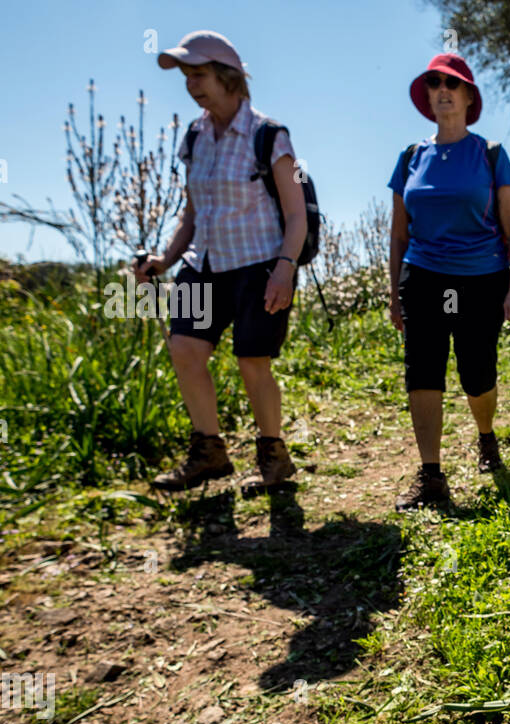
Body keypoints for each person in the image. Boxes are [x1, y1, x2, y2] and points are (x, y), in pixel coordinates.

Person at [134, 30, 306, 493]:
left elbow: (295, 215)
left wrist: (285, 268)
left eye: (200, 74)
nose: (192, 84)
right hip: (203, 265)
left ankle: (274, 457)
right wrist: (165, 260)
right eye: (187, 77)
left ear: (228, 76)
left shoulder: (270, 135)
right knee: (184, 350)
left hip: (258, 265)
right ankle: (209, 453)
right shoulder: (194, 137)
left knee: (253, 361)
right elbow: (192, 212)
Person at [387, 53, 510, 510]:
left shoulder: (490, 155)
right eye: (434, 82)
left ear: (469, 96)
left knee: (476, 373)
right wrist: (394, 293)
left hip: (481, 277)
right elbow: (398, 233)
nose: (442, 90)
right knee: (422, 372)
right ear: (427, 95)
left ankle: (486, 436)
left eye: (452, 83)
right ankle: (432, 477)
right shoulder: (410, 157)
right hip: (423, 275)